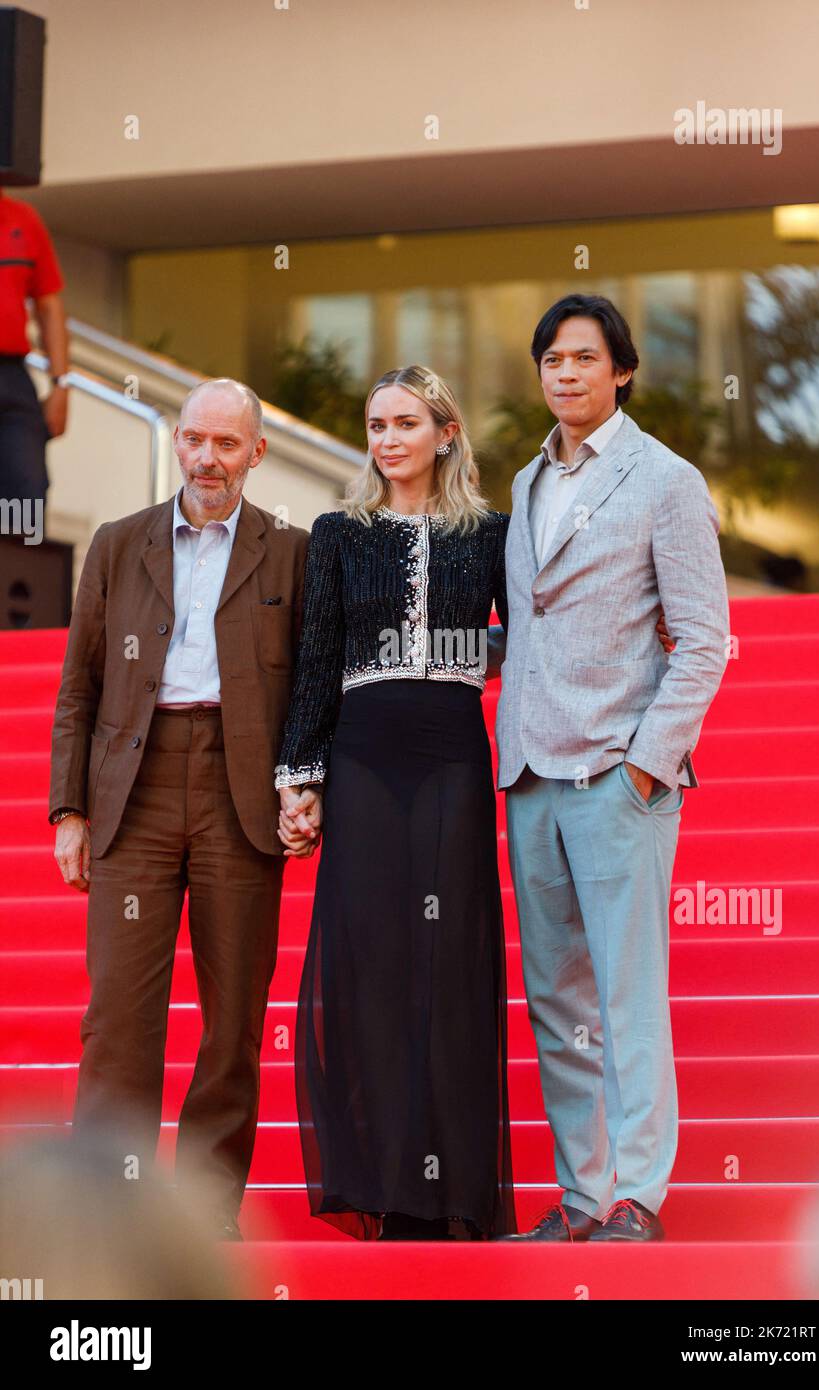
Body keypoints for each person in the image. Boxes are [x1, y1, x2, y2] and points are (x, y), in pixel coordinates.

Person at [48, 378, 309, 1240]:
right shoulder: (120, 547)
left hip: (242, 791)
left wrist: (304, 784)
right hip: (138, 785)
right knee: (119, 1016)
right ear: (178, 444)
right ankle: (106, 1218)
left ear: (256, 453)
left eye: (226, 444)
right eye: (195, 439)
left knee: (235, 1018)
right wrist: (69, 810)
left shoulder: (292, 553)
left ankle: (201, 1220)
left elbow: (311, 687)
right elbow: (78, 684)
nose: (206, 457)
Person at [497, 294, 729, 1243]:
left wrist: (646, 766)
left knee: (628, 993)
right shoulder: (522, 483)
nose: (565, 373)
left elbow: (706, 641)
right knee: (557, 1001)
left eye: (585, 358)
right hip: (529, 776)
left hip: (616, 775)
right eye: (552, 358)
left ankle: (639, 1193)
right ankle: (584, 1197)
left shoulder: (664, 479)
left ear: (621, 371)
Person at [275, 365, 516, 1240]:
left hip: (453, 749)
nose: (387, 440)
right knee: (372, 965)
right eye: (376, 425)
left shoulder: (492, 533)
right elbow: (317, 657)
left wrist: (457, 652)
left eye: (405, 424)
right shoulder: (338, 531)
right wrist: (298, 777)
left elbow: (521, 635)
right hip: (363, 753)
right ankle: (382, 1182)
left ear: (445, 432)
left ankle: (448, 1192)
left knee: (447, 966)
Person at [0, 187, 69, 510]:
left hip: (13, 376)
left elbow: (49, 306)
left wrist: (60, 384)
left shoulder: (23, 218)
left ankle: (25, 559)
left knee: (28, 491)